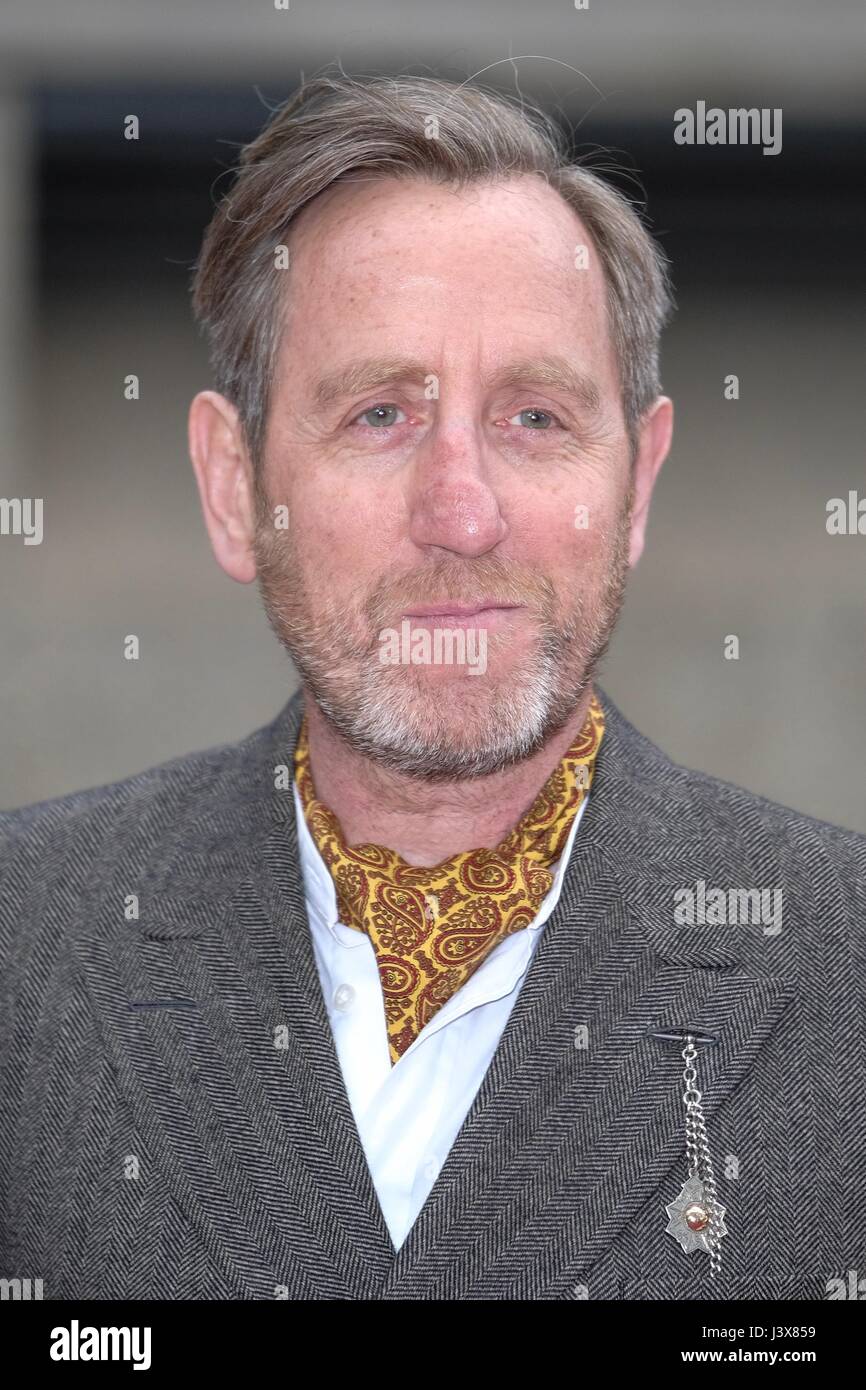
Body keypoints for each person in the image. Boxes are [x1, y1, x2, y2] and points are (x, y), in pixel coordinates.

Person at [1, 72, 863, 1302]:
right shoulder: (21, 946)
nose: (460, 512)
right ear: (234, 487)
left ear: (637, 487)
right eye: (378, 414)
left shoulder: (845, 971)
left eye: (532, 417)